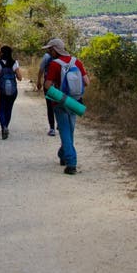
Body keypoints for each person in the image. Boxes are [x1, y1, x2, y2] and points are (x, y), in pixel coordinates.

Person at [42, 38, 89, 175]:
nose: (49, 52)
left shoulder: (54, 64)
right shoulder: (76, 62)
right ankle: (63, 154)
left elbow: (47, 85)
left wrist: (57, 92)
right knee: (69, 130)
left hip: (60, 102)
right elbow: (87, 82)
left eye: (50, 49)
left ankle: (71, 163)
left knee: (64, 131)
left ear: (55, 50)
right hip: (75, 101)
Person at [0, 45, 23, 139]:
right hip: (12, 91)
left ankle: (3, 127)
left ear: (2, 53)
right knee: (9, 109)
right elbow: (20, 78)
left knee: (1, 108)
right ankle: (6, 125)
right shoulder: (14, 63)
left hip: (1, 89)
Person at [37, 51, 56, 136]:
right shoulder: (64, 57)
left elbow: (41, 69)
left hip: (49, 84)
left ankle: (52, 128)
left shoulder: (46, 56)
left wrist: (39, 81)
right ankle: (59, 124)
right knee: (59, 104)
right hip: (60, 85)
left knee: (50, 106)